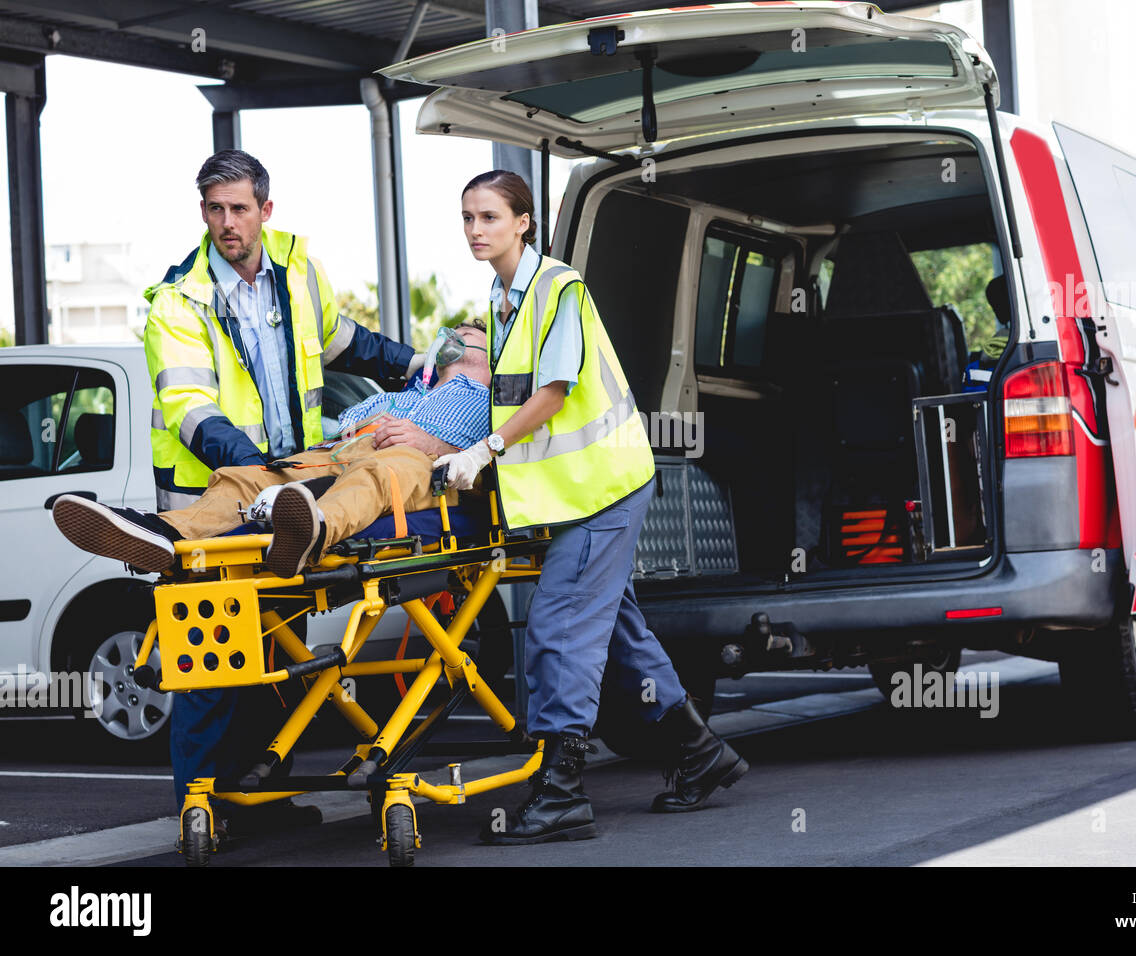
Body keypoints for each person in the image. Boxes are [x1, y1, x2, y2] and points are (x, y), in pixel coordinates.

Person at [437, 170, 748, 846]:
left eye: (489, 217)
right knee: (616, 631)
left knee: (557, 629)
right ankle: (700, 754)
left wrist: (485, 450)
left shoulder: (558, 288)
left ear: (523, 222)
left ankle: (561, 793)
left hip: (602, 489)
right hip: (575, 492)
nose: (475, 230)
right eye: (467, 218)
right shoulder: (501, 298)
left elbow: (552, 391)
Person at [126, 148, 426, 826]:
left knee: (272, 657)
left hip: (290, 503)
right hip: (220, 503)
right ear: (202, 212)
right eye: (215, 209)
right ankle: (204, 806)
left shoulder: (299, 273)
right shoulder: (178, 300)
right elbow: (190, 411)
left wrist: (423, 365)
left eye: (239, 208)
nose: (227, 223)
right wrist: (264, 475)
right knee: (211, 663)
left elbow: (346, 343)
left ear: (265, 208)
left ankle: (264, 799)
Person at [51, 321, 492, 578]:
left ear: (490, 354)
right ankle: (162, 533)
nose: (448, 338)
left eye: (463, 335)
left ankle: (315, 529)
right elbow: (351, 422)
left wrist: (432, 442)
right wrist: (364, 429)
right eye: (447, 333)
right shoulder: (403, 395)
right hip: (343, 452)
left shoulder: (492, 399)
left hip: (425, 464)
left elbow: (489, 451)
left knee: (378, 474)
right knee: (248, 478)